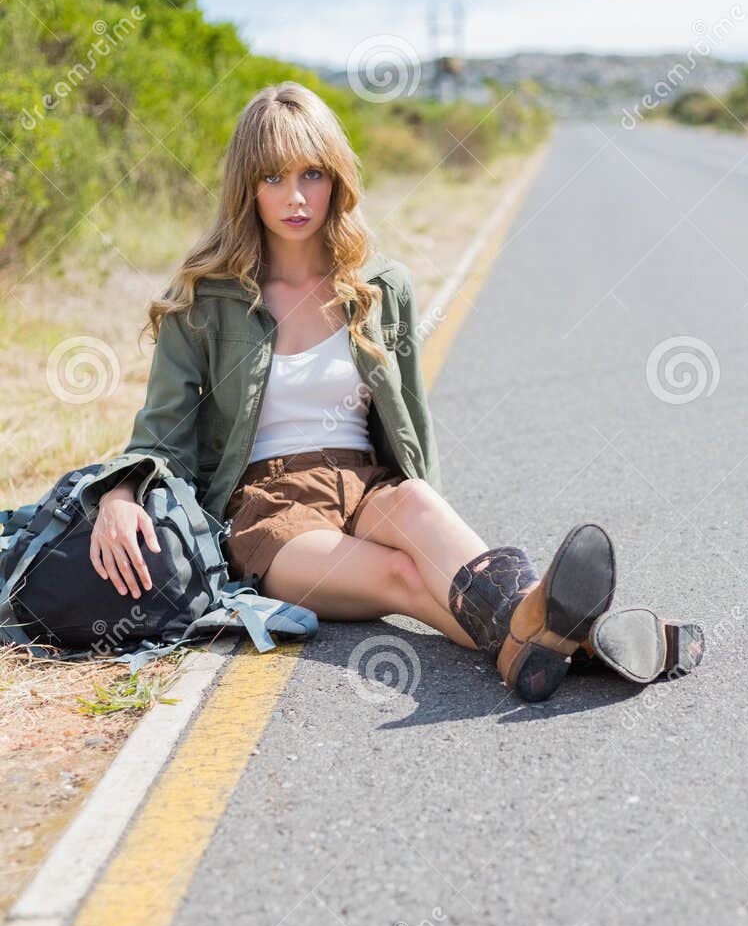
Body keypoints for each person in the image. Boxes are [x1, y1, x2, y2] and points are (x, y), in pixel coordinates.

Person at [86, 82, 703, 702]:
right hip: (269, 510)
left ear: (337, 178)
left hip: (370, 485)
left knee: (420, 508)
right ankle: (581, 637)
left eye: (312, 174)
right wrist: (118, 493)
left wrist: (425, 505)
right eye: (273, 177)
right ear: (246, 186)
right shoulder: (205, 299)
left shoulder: (381, 287)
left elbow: (410, 421)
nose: (296, 197)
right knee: (404, 574)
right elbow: (161, 430)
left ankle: (535, 646)